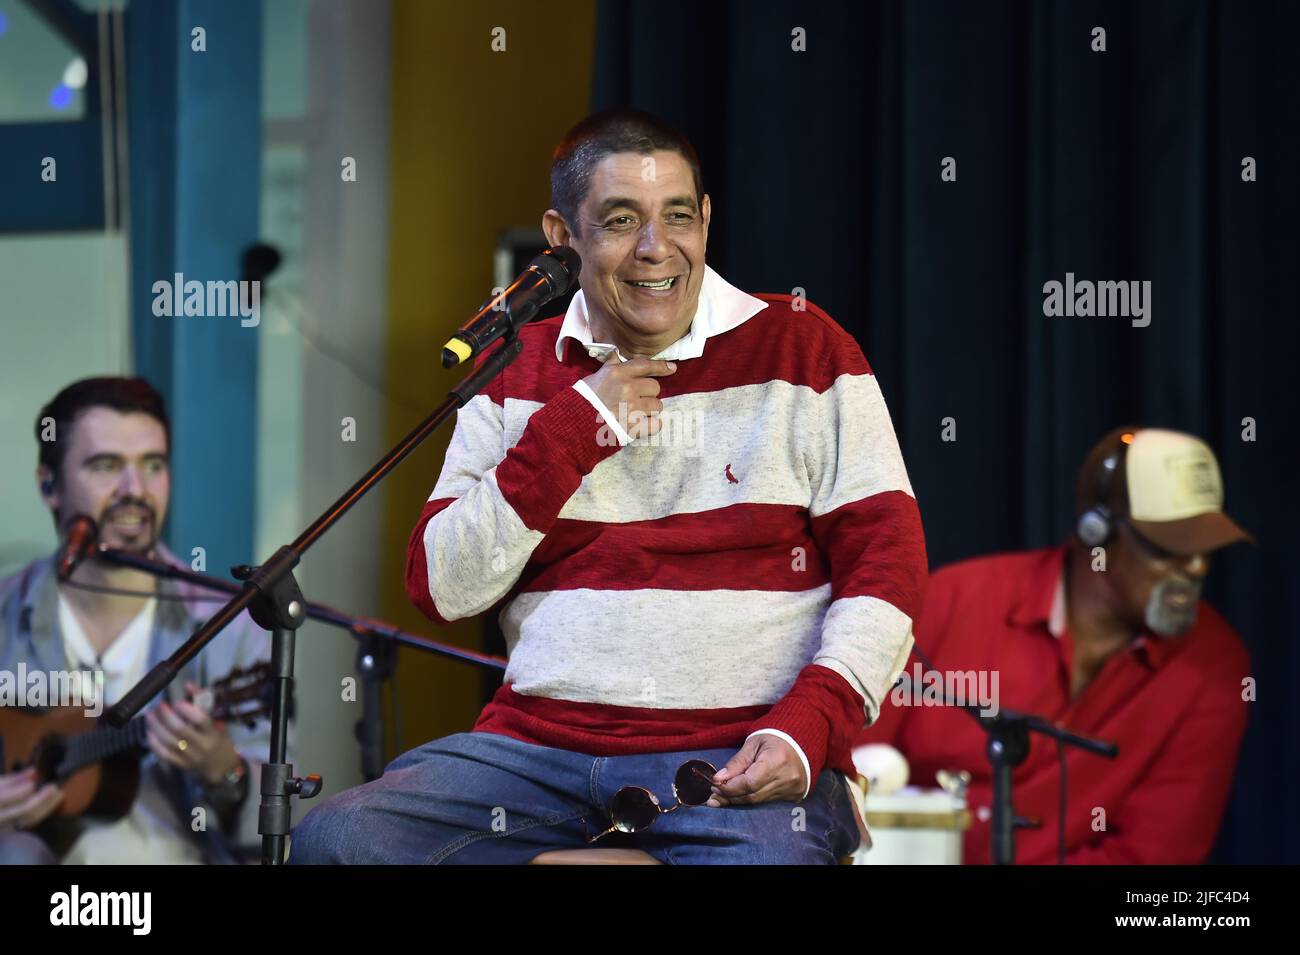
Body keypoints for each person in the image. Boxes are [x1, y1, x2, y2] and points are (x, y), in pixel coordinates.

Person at [289, 108, 927, 864]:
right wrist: (569, 432)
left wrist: (808, 723)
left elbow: (888, 567)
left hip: (731, 757)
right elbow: (442, 586)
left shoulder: (805, 346)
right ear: (563, 237)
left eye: (678, 216)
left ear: (707, 219)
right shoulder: (515, 367)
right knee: (337, 839)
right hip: (536, 753)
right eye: (622, 220)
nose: (657, 248)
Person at [857, 426, 1253, 864]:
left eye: (1206, 549)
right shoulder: (951, 600)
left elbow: (1151, 854)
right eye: (1169, 548)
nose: (1195, 567)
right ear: (1095, 532)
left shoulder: (1214, 666)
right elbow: (849, 774)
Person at [0, 377, 275, 864]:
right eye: (106, 466)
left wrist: (225, 773)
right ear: (49, 486)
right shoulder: (6, 608)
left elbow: (278, 828)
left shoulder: (231, 625)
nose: (135, 490)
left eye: (153, 465)